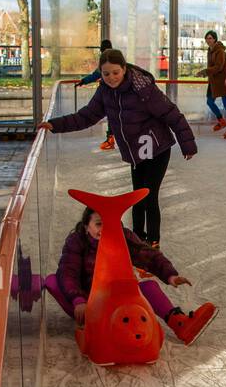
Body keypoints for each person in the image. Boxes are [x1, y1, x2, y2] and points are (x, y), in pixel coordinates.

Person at [39, 49, 196, 246]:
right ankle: (138, 240)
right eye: (106, 74)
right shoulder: (105, 91)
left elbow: (171, 114)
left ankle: (153, 242)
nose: (111, 78)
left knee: (149, 195)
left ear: (124, 69)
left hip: (157, 149)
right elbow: (87, 116)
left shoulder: (142, 89)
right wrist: (55, 125)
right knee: (137, 196)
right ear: (100, 74)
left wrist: (187, 144)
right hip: (136, 152)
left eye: (115, 72)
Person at [45, 205, 217, 346]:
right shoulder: (77, 241)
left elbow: (147, 255)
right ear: (85, 227)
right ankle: (91, 329)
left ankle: (179, 323)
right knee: (53, 280)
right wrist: (78, 300)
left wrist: (170, 275)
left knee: (148, 286)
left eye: (109, 223)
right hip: (87, 303)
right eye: (99, 224)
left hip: (118, 297)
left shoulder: (122, 235)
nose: (105, 229)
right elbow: (68, 272)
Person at [76, 39, 115, 151]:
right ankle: (113, 139)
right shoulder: (117, 59)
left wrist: (83, 81)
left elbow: (96, 75)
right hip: (116, 93)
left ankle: (111, 140)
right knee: (114, 116)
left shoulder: (105, 60)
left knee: (111, 116)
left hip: (108, 93)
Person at [198, 30, 226, 135]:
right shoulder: (210, 50)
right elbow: (212, 67)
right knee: (209, 101)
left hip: (224, 81)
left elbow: (219, 67)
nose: (208, 40)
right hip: (214, 81)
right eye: (206, 38)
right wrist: (207, 73)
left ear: (214, 39)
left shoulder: (220, 51)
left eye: (210, 38)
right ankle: (221, 120)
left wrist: (205, 72)